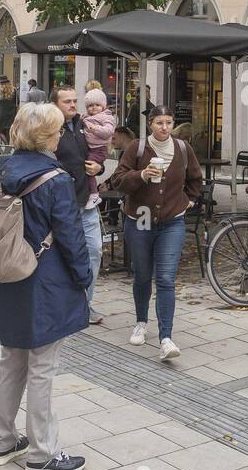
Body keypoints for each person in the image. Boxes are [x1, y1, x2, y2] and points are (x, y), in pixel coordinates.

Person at [0, 102, 92, 470]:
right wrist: (84, 277)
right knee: (43, 367)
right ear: (47, 136)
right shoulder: (56, 179)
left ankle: (3, 440)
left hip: (11, 273)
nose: (62, 135)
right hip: (47, 278)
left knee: (11, 360)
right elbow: (70, 235)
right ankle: (43, 452)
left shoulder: (4, 171)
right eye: (59, 129)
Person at [111, 105, 203, 361]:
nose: (164, 127)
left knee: (165, 278)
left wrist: (190, 201)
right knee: (142, 275)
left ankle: (166, 338)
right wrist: (141, 174)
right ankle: (141, 322)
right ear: (150, 124)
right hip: (140, 221)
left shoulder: (183, 149)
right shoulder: (137, 148)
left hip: (172, 222)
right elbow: (117, 181)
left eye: (169, 123)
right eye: (159, 122)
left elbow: (196, 179)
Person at [51, 85, 108, 326]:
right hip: (63, 205)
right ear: (55, 104)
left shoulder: (84, 125)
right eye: (67, 102)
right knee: (63, 256)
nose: (73, 105)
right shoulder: (49, 129)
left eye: (75, 101)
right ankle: (64, 303)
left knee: (94, 251)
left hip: (87, 202)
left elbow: (98, 153)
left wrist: (100, 168)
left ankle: (84, 302)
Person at [81, 88, 117, 207]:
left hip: (99, 149)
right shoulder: (86, 116)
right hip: (91, 148)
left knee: (88, 169)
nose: (94, 108)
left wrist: (95, 129)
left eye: (97, 105)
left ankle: (94, 195)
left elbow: (108, 131)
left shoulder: (106, 117)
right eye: (90, 105)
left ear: (103, 106)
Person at [0, 78, 18, 143]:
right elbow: (17, 101)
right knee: (7, 131)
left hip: (1, 112)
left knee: (0, 130)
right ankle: (7, 148)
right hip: (11, 112)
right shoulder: (13, 90)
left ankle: (6, 145)